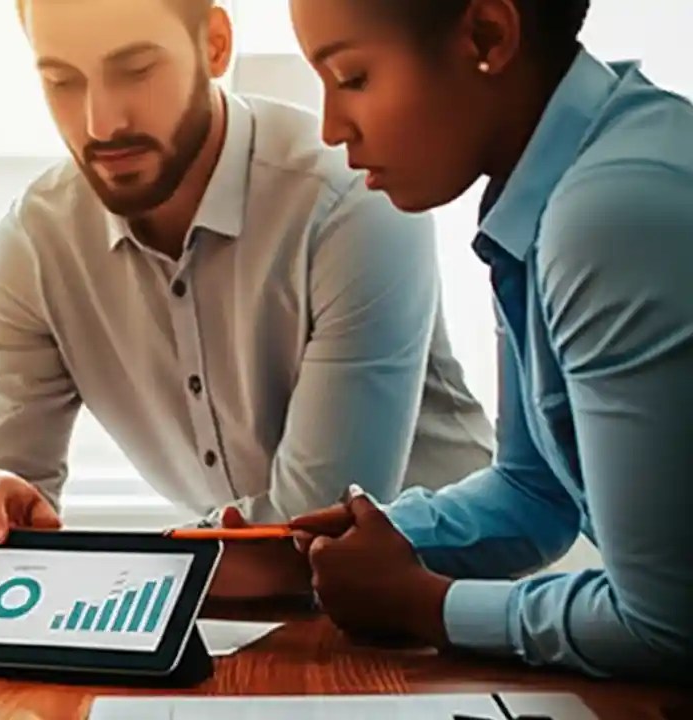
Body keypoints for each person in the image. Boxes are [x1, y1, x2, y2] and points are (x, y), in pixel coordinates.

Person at [0, 0, 494, 597]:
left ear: (216, 46)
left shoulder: (349, 200)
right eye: (62, 81)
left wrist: (91, 570)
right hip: (246, 615)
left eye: (136, 69)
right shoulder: (34, 247)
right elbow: (3, 529)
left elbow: (315, 533)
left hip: (450, 609)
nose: (100, 123)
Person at [280, 0, 693, 681]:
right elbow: (536, 494)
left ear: (487, 35)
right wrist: (340, 545)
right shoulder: (546, 193)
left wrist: (425, 606)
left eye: (352, 78)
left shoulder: (609, 214)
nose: (330, 128)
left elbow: (665, 622)